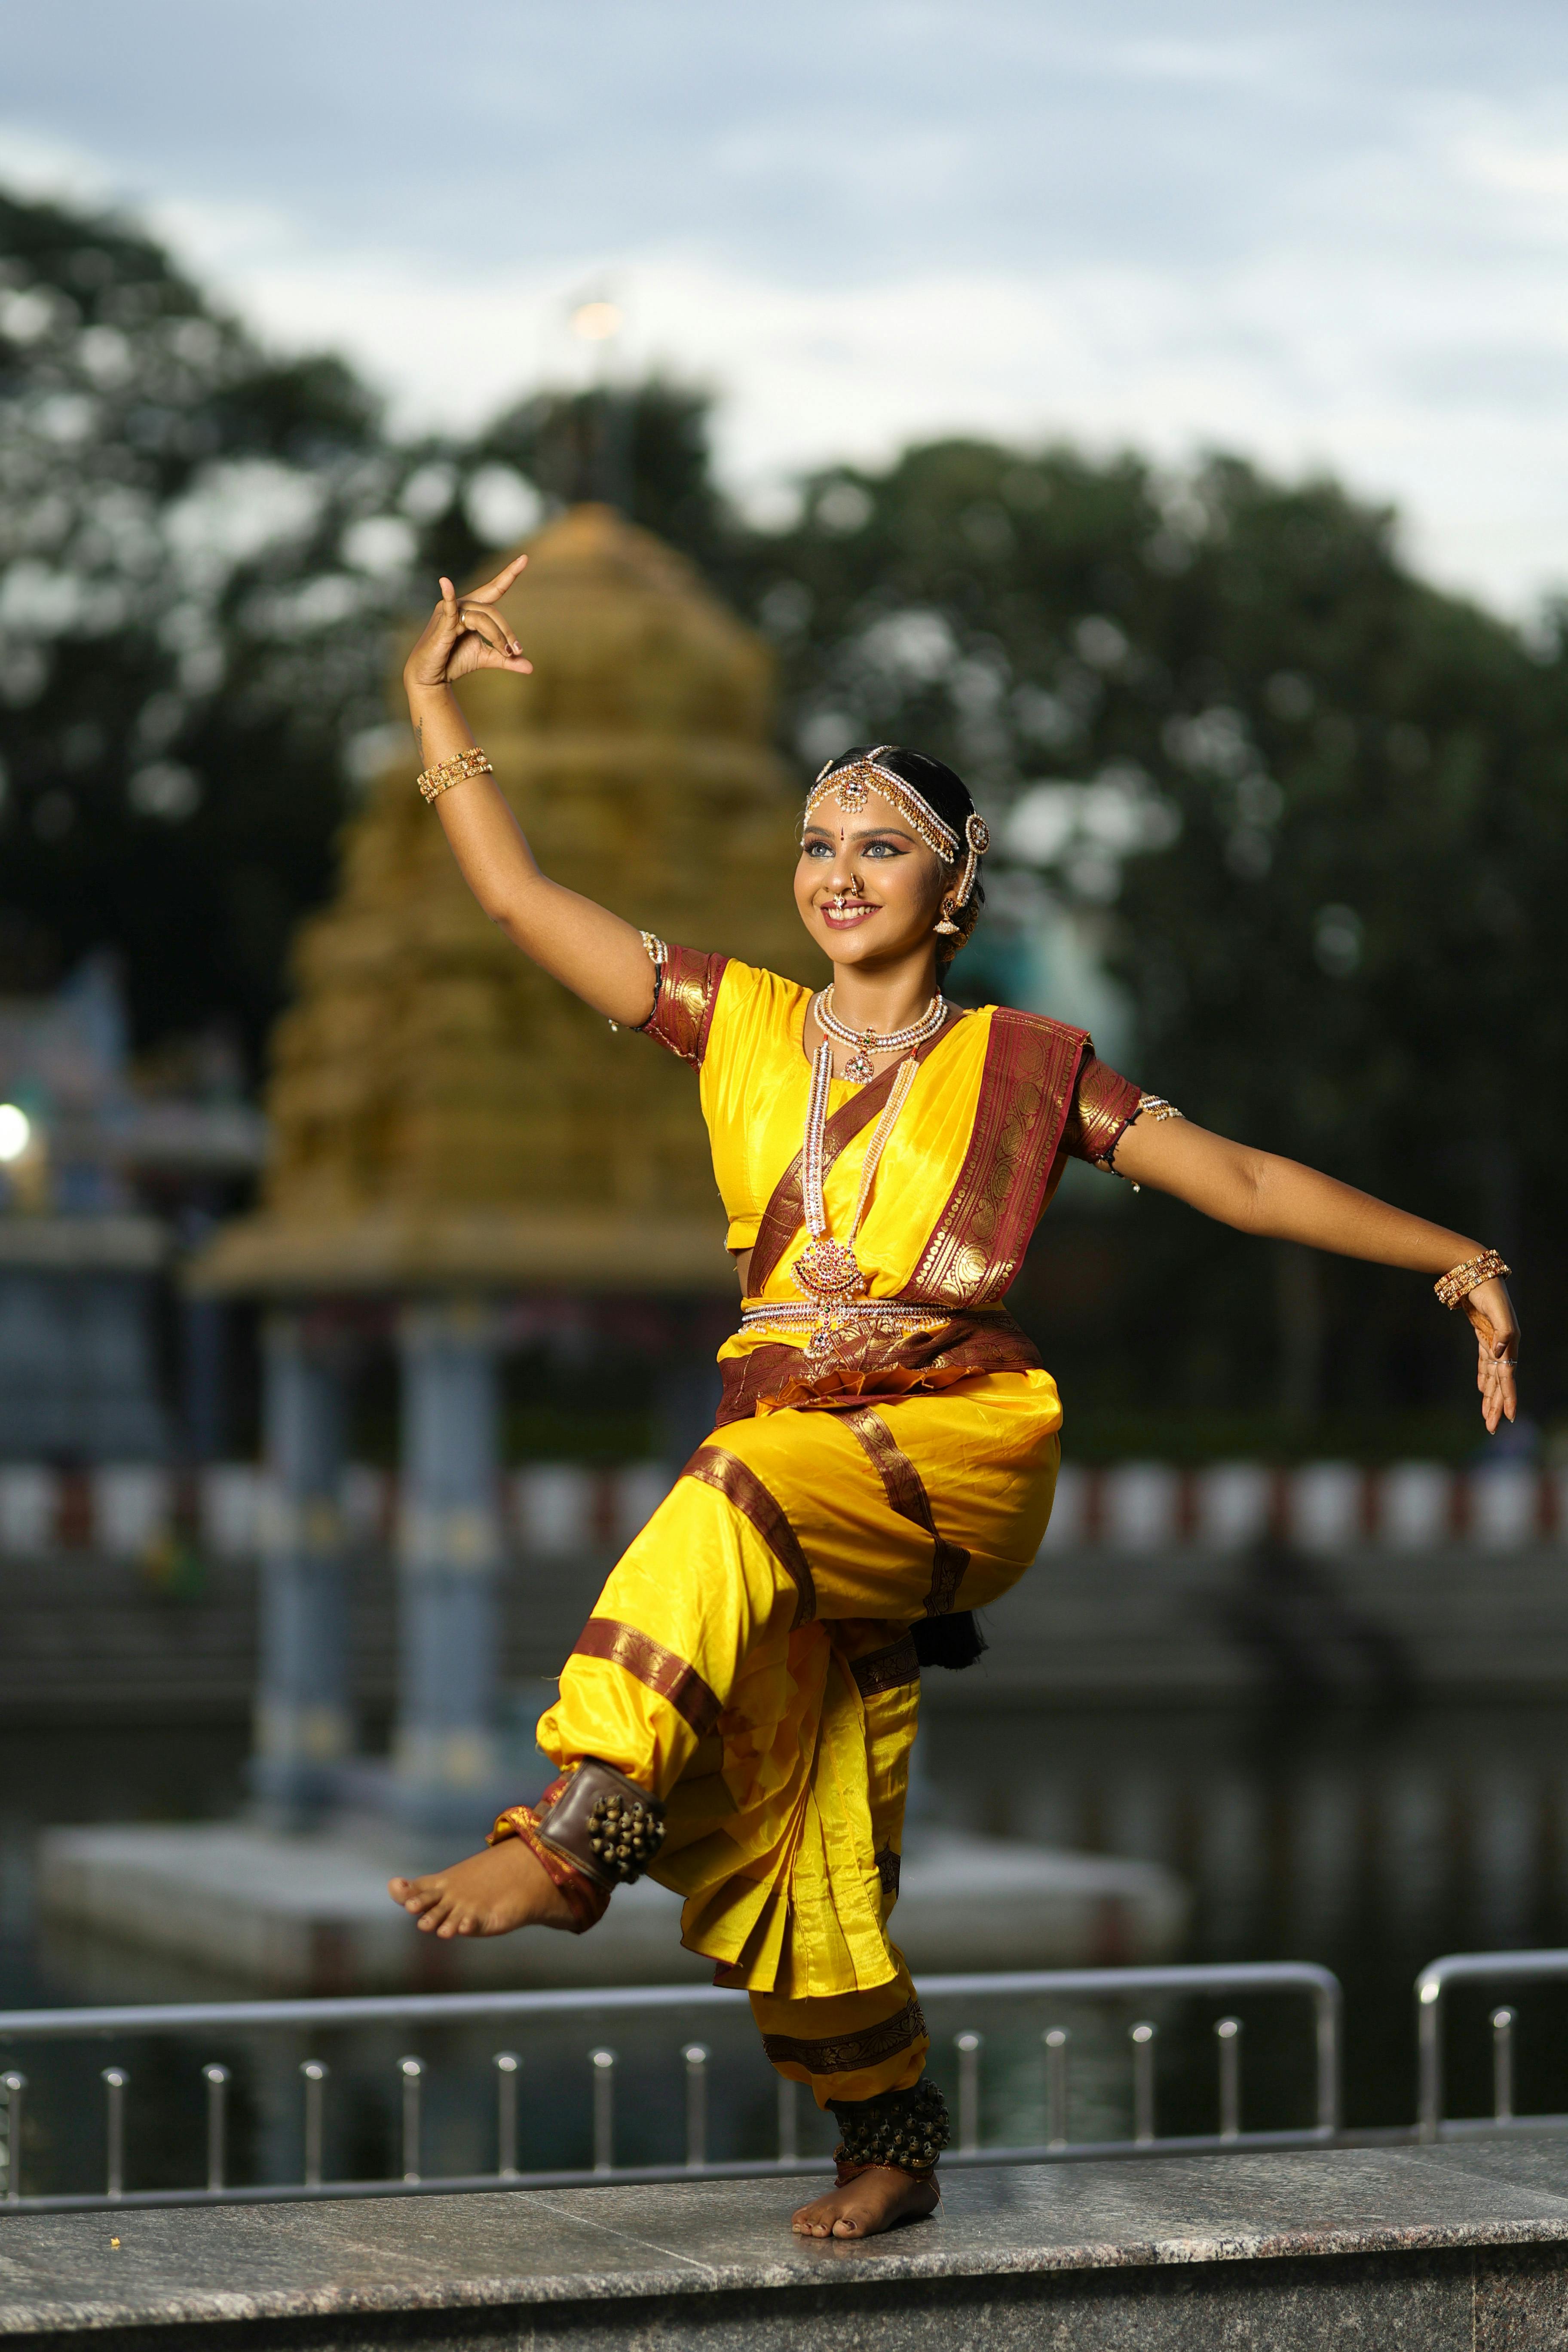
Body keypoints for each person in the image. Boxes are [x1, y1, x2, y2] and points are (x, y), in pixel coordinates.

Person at [387, 555, 1520, 2238]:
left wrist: (1456, 1255)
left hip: (957, 1446)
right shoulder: (741, 1023)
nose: (838, 873)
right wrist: (430, 704)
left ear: (956, 880)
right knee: (803, 1826)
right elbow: (518, 902)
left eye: (881, 844)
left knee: (727, 1492)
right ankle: (892, 2138)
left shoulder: (1027, 1068)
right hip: (801, 1461)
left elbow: (1241, 1181)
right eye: (817, 843)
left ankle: (571, 1839)